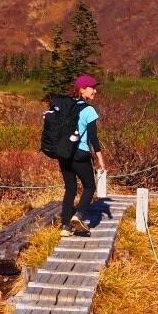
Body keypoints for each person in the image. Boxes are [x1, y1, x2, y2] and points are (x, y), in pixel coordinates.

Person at [58, 74, 106, 236]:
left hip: (64, 153)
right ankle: (78, 215)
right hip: (80, 153)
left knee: (70, 188)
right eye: (92, 88)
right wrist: (100, 158)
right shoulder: (88, 110)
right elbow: (93, 137)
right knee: (90, 186)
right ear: (82, 90)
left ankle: (65, 226)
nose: (95, 91)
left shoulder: (66, 107)